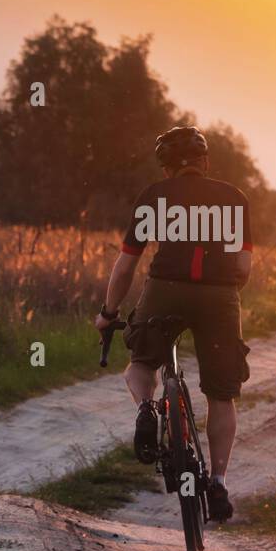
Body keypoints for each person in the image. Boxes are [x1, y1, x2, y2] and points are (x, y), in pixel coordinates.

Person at [93, 125, 252, 520]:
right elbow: (243, 267)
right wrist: (222, 292)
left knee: (141, 366)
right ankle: (217, 483)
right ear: (205, 162)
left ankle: (147, 409)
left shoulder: (154, 198)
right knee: (221, 393)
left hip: (165, 291)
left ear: (166, 168)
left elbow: (126, 266)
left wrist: (108, 313)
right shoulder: (234, 199)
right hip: (219, 296)